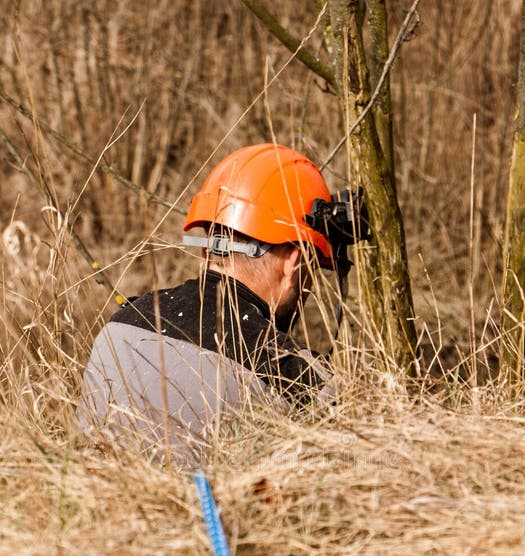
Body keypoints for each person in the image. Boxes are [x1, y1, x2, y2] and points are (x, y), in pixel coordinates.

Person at [77, 143, 347, 464]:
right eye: (312, 267)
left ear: (206, 249)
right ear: (294, 262)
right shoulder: (298, 381)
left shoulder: (120, 325)